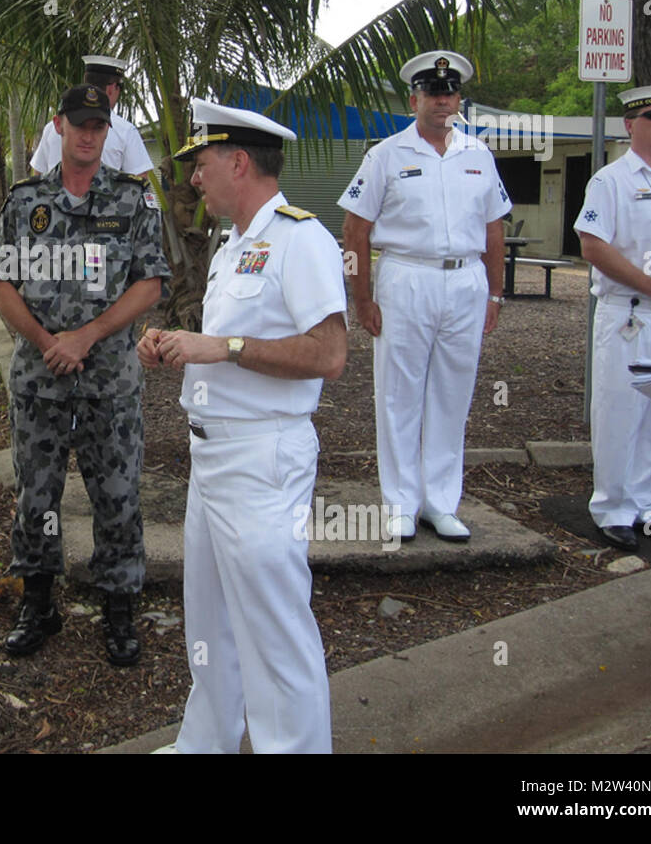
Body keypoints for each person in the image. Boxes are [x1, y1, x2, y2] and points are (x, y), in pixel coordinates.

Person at [139, 98, 346, 753]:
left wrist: (220, 347)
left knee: (273, 633)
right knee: (210, 622)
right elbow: (230, 343)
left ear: (238, 161)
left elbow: (329, 354)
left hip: (262, 458)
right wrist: (180, 344)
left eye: (201, 164)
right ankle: (206, 741)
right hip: (212, 459)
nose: (194, 179)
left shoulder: (300, 238)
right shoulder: (234, 244)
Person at [0, 83, 169, 665]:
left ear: (109, 132)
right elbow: (2, 285)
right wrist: (46, 343)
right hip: (40, 379)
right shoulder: (24, 202)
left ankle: (119, 609)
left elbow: (150, 283)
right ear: (58, 126)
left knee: (116, 497)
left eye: (100, 124)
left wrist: (85, 336)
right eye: (79, 123)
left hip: (108, 381)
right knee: (37, 496)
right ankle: (38, 604)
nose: (89, 133)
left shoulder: (133, 201)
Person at [338, 50, 509, 543]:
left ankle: (441, 502)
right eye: (433, 93)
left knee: (453, 394)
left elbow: (494, 228)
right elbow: (355, 230)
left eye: (450, 92)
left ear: (459, 99)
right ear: (414, 99)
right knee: (398, 394)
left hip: (465, 282)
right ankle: (399, 503)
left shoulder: (478, 155)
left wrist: (495, 295)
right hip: (406, 278)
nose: (442, 100)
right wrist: (362, 298)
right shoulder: (386, 155)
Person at [575, 84, 651, 551]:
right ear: (630, 125)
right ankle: (613, 508)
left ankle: (650, 509)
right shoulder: (610, 181)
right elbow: (592, 244)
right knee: (621, 413)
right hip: (630, 314)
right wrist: (646, 284)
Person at [29, 55, 153, 176]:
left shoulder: (53, 127)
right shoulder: (125, 131)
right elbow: (140, 179)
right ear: (112, 88)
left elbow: (38, 173)